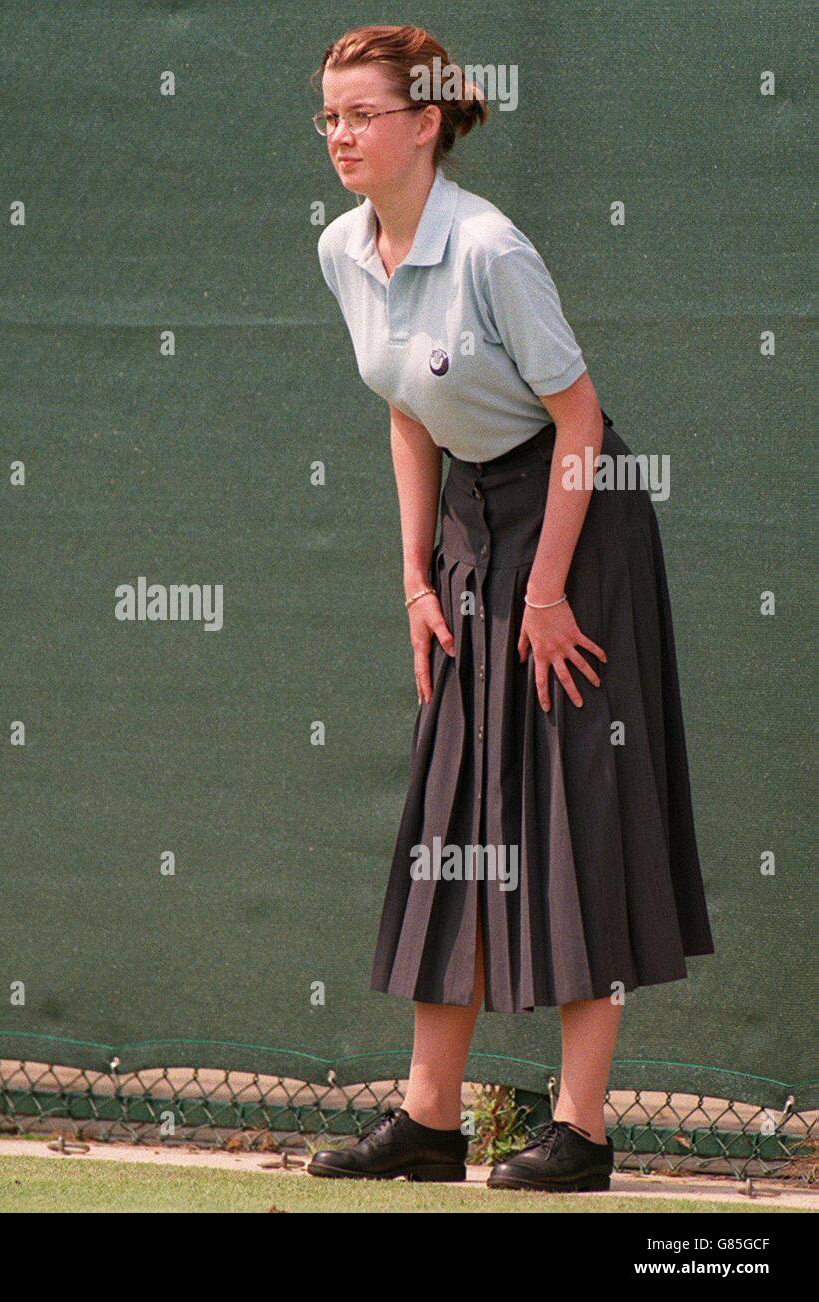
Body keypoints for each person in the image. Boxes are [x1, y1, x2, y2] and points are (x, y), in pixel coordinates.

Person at [305, 24, 714, 1193]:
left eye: (362, 114)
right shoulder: (344, 249)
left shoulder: (490, 249)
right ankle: (430, 1121)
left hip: (575, 531)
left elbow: (580, 422)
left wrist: (544, 592)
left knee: (575, 810)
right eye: (328, 117)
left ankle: (580, 1133)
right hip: (468, 536)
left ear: (424, 123)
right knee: (450, 807)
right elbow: (403, 409)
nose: (340, 136)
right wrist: (415, 581)